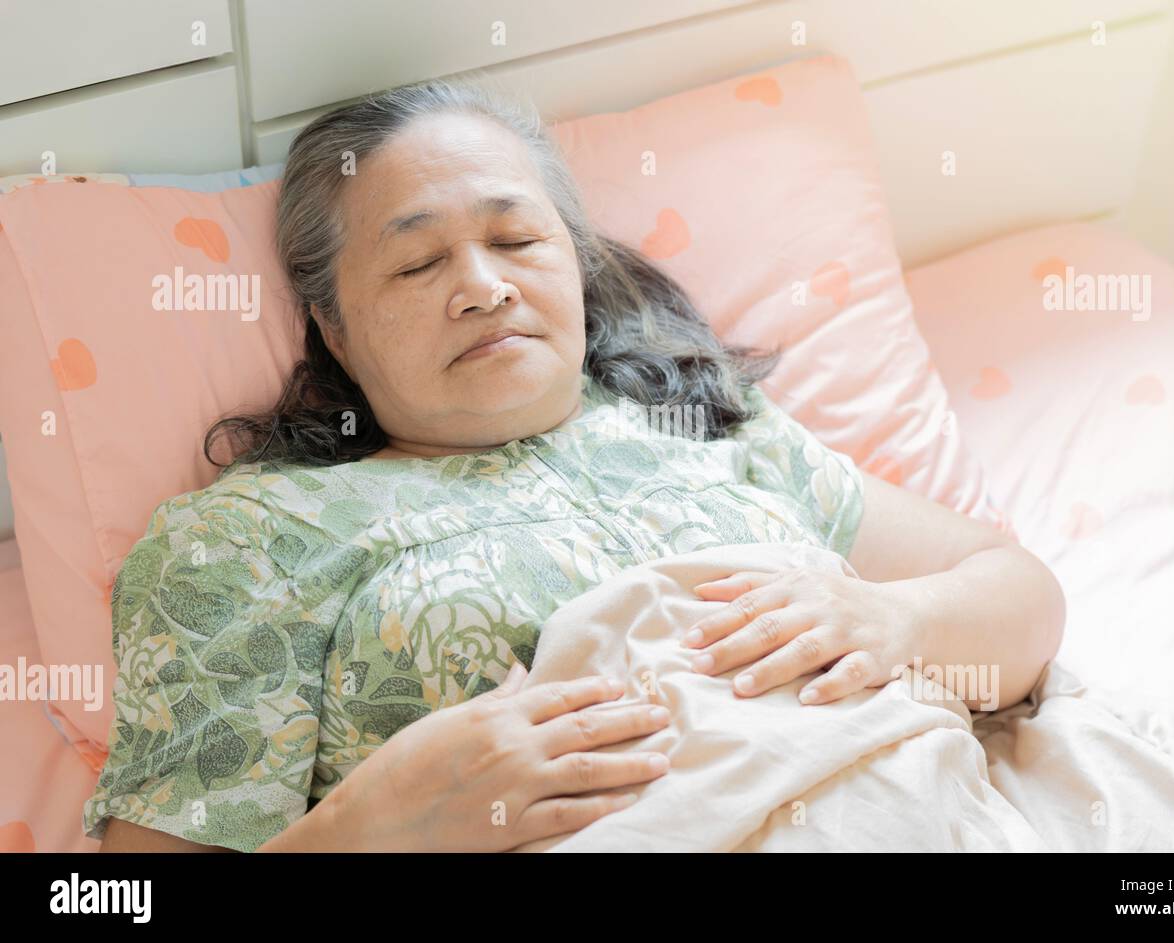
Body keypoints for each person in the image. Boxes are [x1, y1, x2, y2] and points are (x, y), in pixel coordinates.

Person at [88, 76, 1064, 853]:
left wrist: (899, 618)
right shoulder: (246, 542)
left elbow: (1019, 598)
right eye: (417, 264)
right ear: (333, 331)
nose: (480, 287)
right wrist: (368, 832)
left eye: (515, 239)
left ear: (576, 267)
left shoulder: (700, 426)